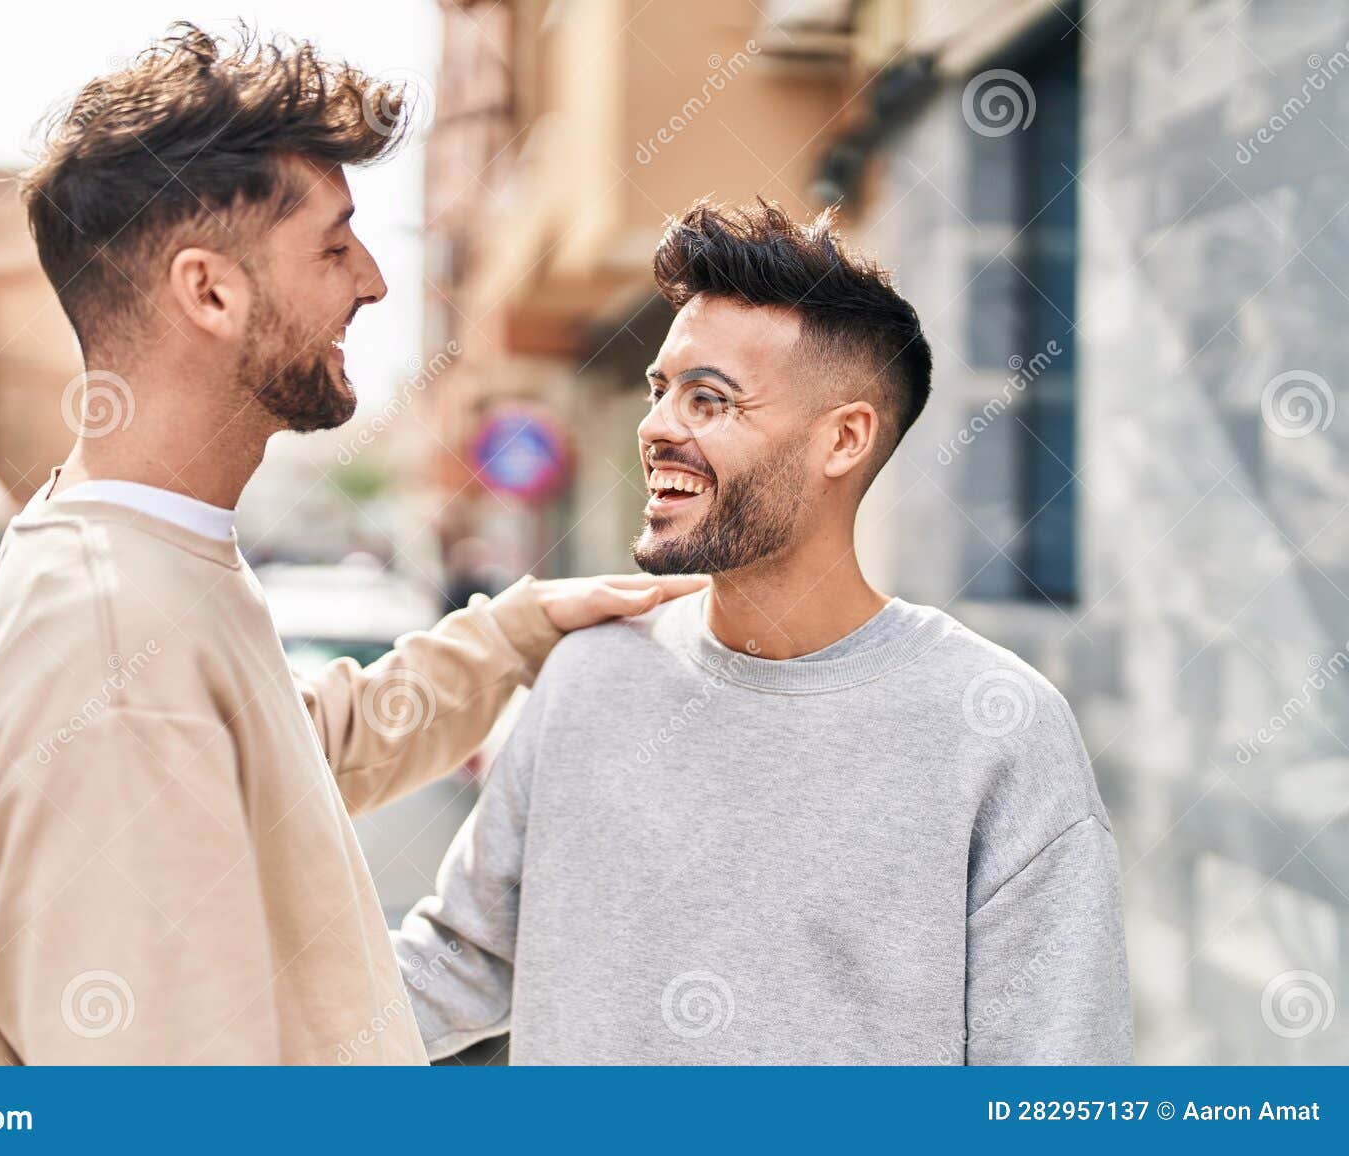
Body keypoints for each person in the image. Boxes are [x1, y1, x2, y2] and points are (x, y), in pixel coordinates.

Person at [0, 25, 701, 1066]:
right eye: (335, 246)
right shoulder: (115, 633)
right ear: (209, 292)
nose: (375, 282)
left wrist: (517, 633)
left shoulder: (151, 563)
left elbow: (294, 758)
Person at [394, 200, 1133, 1064]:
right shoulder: (586, 675)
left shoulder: (996, 725)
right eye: (660, 391)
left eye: (708, 400)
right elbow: (460, 965)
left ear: (843, 440)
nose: (656, 428)